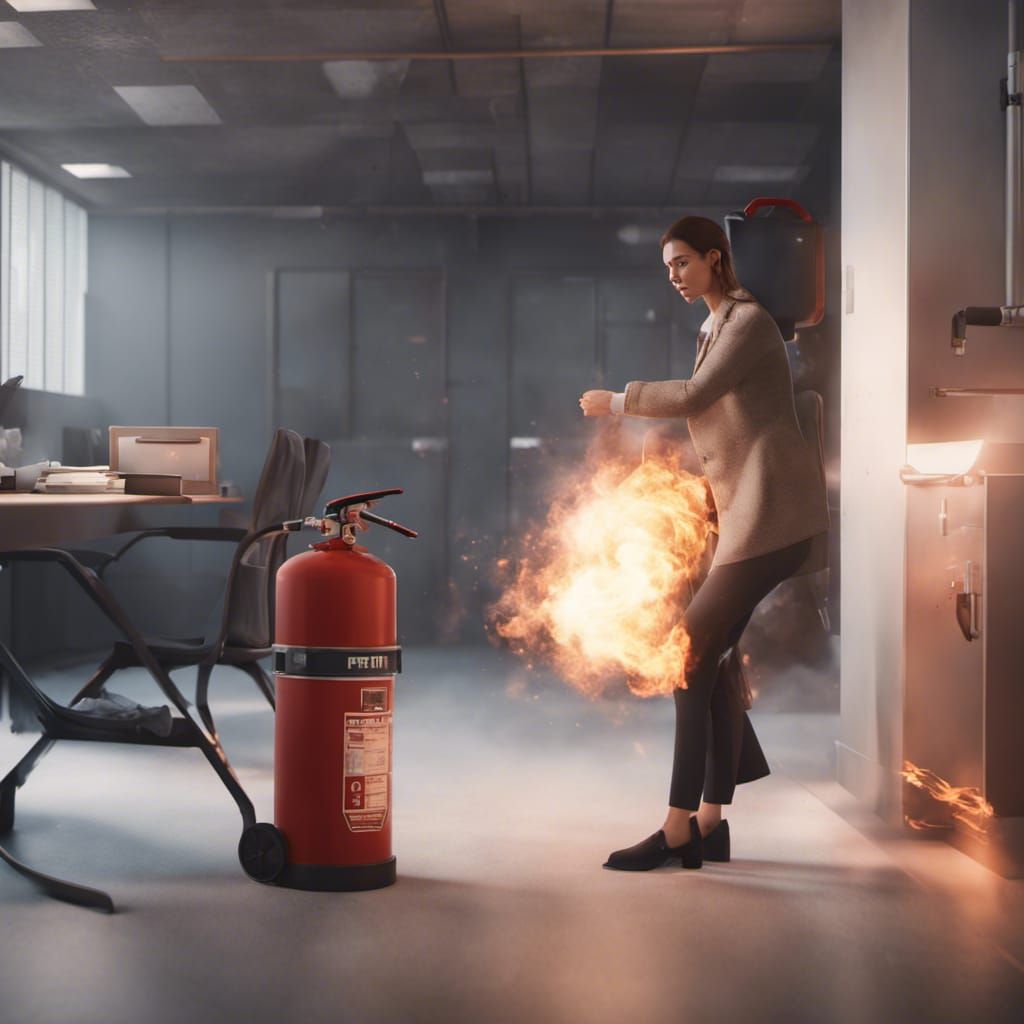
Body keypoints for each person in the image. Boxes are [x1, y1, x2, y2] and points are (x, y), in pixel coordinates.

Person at [579, 215, 829, 871]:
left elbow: (696, 395)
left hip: (773, 518)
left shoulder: (747, 322)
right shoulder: (714, 325)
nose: (674, 276)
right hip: (749, 514)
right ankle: (711, 825)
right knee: (714, 661)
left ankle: (676, 829)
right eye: (667, 266)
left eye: (683, 262)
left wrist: (616, 401)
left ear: (716, 260)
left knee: (690, 655)